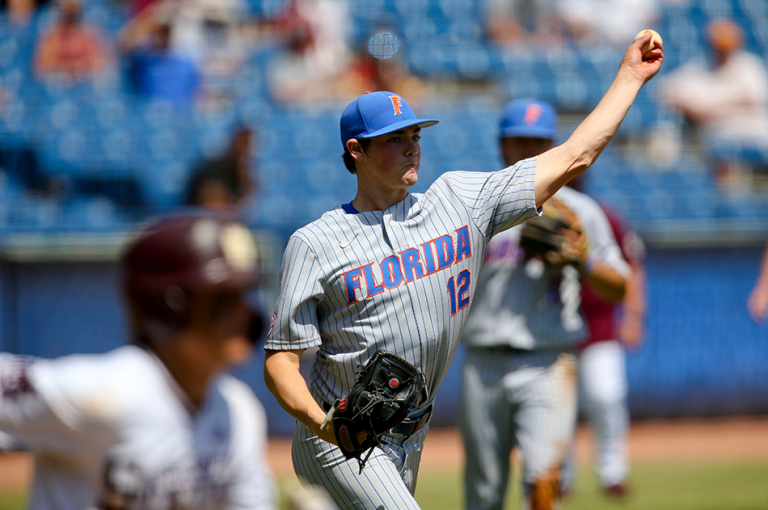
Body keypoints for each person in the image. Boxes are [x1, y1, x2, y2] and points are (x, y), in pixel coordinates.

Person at [263, 35, 662, 510]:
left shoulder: (460, 203)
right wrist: (326, 425)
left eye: (415, 136)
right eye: (395, 140)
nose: (412, 148)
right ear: (357, 151)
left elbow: (574, 155)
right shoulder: (314, 243)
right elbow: (280, 362)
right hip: (337, 438)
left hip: (411, 432)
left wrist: (630, 77)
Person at [0, 213, 277, 510]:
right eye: (223, 298)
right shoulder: (105, 395)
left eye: (243, 295)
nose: (242, 312)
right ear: (169, 305)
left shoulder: (239, 411)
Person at [458, 99, 629, 510]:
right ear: (502, 146)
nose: (528, 151)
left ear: (552, 144)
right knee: (483, 491)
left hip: (549, 360)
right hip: (482, 361)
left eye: (538, 141)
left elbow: (618, 287)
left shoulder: (581, 211)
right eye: (519, 141)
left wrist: (583, 258)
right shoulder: (475, 206)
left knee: (544, 483)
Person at [564, 176, 647, 498]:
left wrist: (634, 315)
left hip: (600, 326)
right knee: (557, 407)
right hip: (556, 329)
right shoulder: (540, 214)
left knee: (607, 396)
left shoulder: (605, 215)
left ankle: (613, 472)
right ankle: (559, 476)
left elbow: (633, 265)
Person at [661, 19, 768, 189]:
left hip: (755, 132)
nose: (723, 51)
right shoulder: (700, 68)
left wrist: (708, 109)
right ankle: (729, 199)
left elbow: (754, 104)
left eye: (727, 47)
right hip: (718, 137)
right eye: (720, 47)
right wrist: (733, 104)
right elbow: (667, 90)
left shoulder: (749, 66)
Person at [33, 0, 112, 82]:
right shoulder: (52, 36)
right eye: (68, 7)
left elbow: (100, 67)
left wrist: (67, 66)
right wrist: (78, 66)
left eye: (72, 7)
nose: (70, 10)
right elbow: (43, 69)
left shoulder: (90, 35)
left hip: (83, 85)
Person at [185, 126, 256, 214]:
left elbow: (246, 200)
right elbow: (212, 205)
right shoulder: (216, 168)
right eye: (244, 144)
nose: (247, 150)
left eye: (250, 145)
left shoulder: (242, 172)